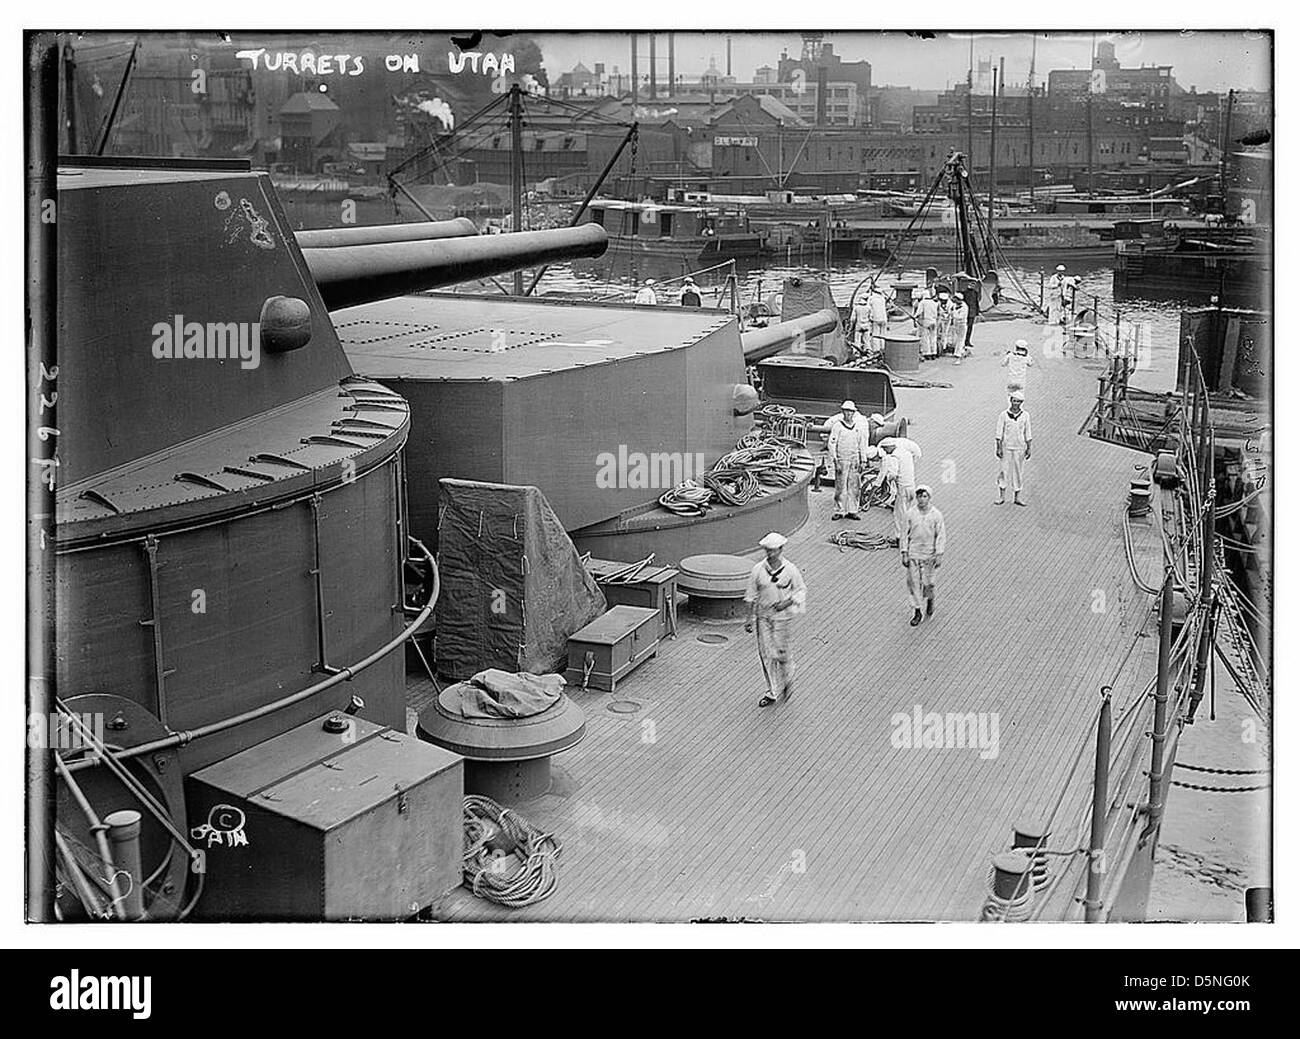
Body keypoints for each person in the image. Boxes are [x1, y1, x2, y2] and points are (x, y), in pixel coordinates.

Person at [744, 532, 807, 707]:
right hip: (763, 617)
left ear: (780, 550)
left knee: (781, 653)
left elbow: (801, 590)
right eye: (768, 551)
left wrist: (786, 603)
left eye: (774, 550)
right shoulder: (758, 570)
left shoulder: (790, 570)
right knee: (766, 654)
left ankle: (787, 678)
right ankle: (772, 691)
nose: (771, 554)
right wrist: (749, 619)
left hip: (782, 617)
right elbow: (750, 595)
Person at [902, 485, 946, 626]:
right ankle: (917, 611)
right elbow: (904, 534)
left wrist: (939, 554)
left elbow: (941, 536)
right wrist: (904, 552)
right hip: (914, 553)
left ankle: (930, 599)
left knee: (929, 583)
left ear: (929, 498)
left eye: (924, 496)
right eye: (919, 496)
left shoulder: (936, 515)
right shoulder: (910, 514)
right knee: (913, 583)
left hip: (929, 555)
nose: (922, 499)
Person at [826, 400, 872, 521]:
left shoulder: (858, 427)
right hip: (842, 459)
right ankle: (839, 510)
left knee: (855, 486)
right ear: (843, 412)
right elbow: (832, 444)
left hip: (854, 460)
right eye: (846, 412)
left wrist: (863, 460)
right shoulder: (837, 426)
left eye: (850, 412)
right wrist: (835, 461)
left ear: (853, 413)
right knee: (840, 487)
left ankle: (853, 510)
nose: (848, 414)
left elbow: (862, 444)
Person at [876, 436, 920, 546]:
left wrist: (887, 480)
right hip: (912, 487)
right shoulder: (907, 453)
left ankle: (900, 539)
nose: (885, 452)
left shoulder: (894, 457)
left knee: (899, 514)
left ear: (889, 447)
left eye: (886, 449)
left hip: (903, 489)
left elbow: (893, 473)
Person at [995, 391, 1033, 507]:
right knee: (1003, 470)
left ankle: (1017, 496)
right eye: (1014, 401)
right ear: (1010, 401)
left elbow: (1028, 432)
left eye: (1018, 401)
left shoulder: (1025, 415)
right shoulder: (1004, 415)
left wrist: (1029, 447)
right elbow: (999, 433)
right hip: (1007, 446)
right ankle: (1001, 496)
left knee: (1018, 471)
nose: (1016, 403)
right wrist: (999, 447)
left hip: (1019, 447)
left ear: (1021, 403)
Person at [915, 289, 939, 360]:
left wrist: (915, 316)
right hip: (934, 321)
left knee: (926, 337)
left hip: (926, 322)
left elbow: (919, 312)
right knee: (933, 337)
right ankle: (934, 352)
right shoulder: (934, 303)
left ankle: (927, 353)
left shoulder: (923, 302)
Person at [950, 294, 969, 364]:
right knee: (956, 339)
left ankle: (959, 355)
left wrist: (953, 313)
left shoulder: (964, 307)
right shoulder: (954, 305)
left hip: (962, 324)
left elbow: (960, 317)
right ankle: (958, 352)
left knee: (961, 339)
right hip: (956, 324)